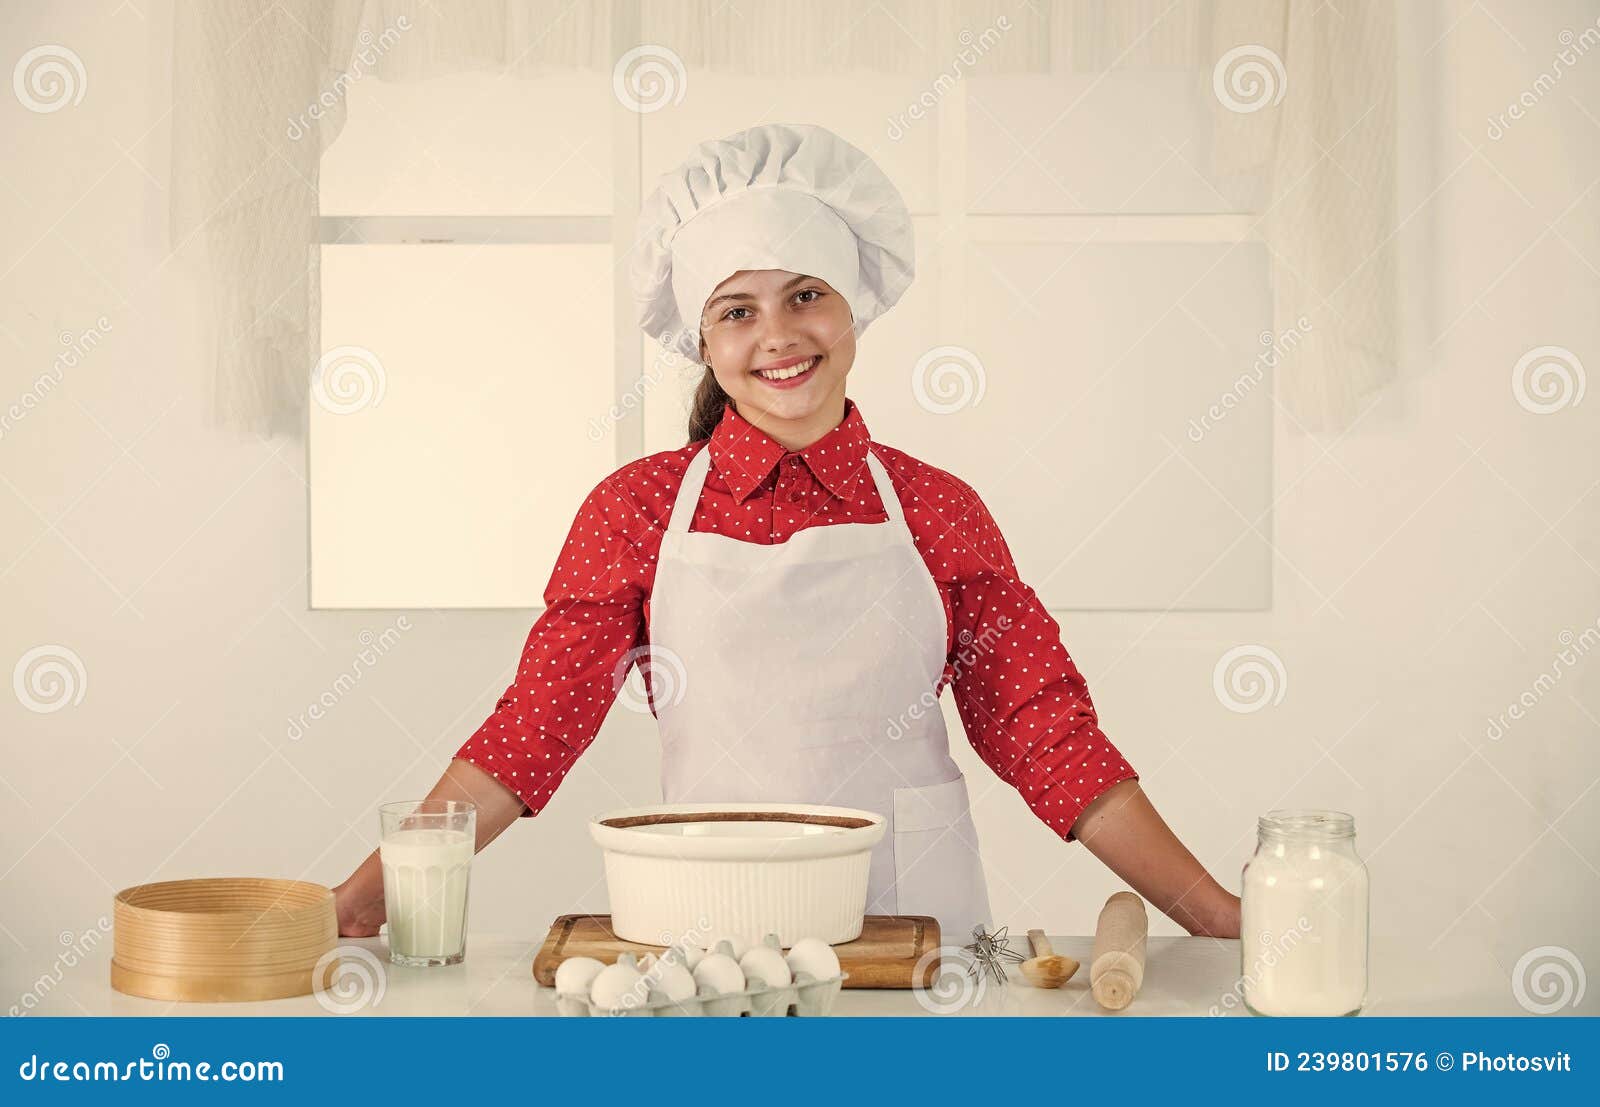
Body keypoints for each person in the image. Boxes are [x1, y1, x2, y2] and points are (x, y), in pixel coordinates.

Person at [334, 123, 1241, 942]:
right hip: (715, 940)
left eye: (805, 294)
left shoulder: (937, 509)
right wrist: (363, 902)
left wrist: (1212, 914)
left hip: (916, 934)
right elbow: (532, 731)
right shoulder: (637, 512)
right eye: (737, 310)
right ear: (702, 342)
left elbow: (1047, 731)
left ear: (853, 311)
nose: (778, 334)